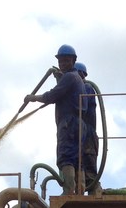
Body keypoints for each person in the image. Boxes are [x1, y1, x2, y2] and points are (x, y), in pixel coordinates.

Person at [24, 44, 87, 195]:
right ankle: (79, 190)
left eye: (66, 60)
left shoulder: (70, 77)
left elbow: (51, 96)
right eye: (60, 61)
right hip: (79, 124)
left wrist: (33, 98)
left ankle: (68, 192)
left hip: (68, 123)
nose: (63, 63)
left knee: (66, 157)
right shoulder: (76, 79)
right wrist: (60, 79)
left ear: (73, 61)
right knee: (78, 158)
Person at [73, 61, 102, 195]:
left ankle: (94, 190)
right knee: (78, 164)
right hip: (79, 133)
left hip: (88, 134)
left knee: (88, 164)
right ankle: (81, 190)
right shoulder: (80, 88)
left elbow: (80, 108)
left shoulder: (87, 88)